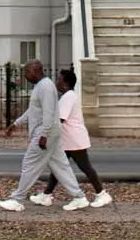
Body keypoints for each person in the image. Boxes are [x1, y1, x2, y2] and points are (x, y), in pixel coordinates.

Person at [0, 59, 88, 212]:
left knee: (30, 164)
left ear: (35, 71)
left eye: (26, 72)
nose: (26, 76)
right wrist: (16, 124)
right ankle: (79, 197)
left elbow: (48, 113)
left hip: (46, 132)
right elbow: (32, 110)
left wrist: (44, 134)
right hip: (50, 131)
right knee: (61, 166)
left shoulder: (45, 86)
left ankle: (17, 199)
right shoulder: (41, 86)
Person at [35, 68, 111, 208]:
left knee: (85, 167)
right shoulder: (67, 96)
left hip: (74, 140)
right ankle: (46, 195)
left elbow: (60, 120)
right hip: (69, 140)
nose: (56, 81)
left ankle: (102, 194)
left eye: (59, 79)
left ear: (65, 84)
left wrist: (45, 136)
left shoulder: (69, 96)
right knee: (59, 168)